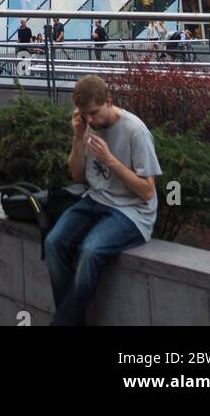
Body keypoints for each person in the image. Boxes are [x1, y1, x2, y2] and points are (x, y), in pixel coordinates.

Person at [44, 74, 161, 327]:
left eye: (95, 113)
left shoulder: (135, 131)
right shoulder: (87, 127)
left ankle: (62, 323)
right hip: (96, 199)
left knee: (90, 251)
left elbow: (148, 192)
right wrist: (77, 137)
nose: (91, 120)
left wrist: (111, 161)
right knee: (53, 243)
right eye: (85, 115)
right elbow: (76, 175)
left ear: (109, 101)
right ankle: (71, 321)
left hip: (132, 211)